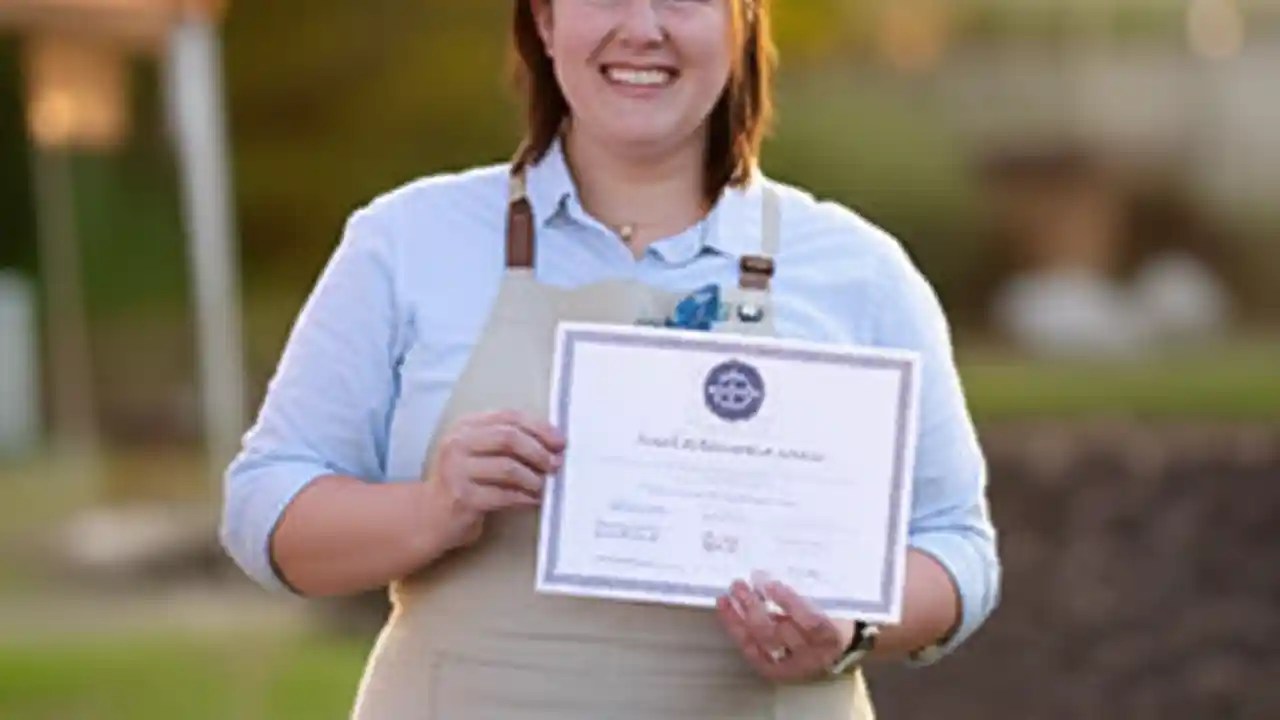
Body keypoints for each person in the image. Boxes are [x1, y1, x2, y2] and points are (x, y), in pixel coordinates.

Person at [220, 0, 1000, 717]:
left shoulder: (858, 269)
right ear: (546, 22)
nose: (642, 26)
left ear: (742, 23)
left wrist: (854, 626)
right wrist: (429, 510)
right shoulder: (407, 241)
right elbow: (266, 508)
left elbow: (956, 544)